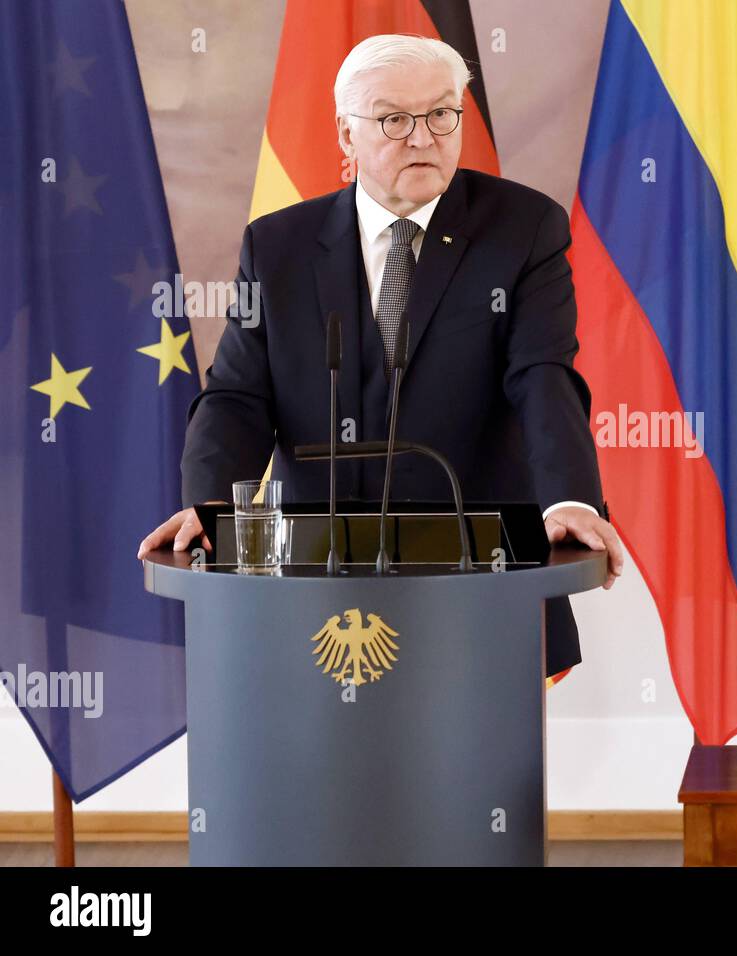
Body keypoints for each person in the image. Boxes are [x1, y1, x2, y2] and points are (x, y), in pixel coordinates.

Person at [139, 34, 623, 676]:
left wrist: (570, 501)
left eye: (442, 114)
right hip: (307, 586)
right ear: (346, 135)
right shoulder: (279, 247)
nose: (423, 138)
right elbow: (237, 396)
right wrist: (211, 507)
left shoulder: (523, 229)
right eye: (394, 119)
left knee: (476, 775)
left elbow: (543, 377)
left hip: (478, 580)